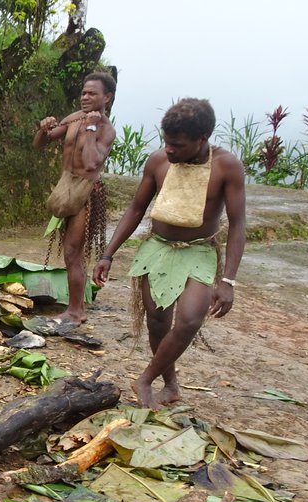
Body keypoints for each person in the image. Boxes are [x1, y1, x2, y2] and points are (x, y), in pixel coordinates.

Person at [93, 98, 246, 410]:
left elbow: (238, 224)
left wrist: (228, 280)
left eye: (177, 145)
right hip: (158, 249)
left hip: (199, 252)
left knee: (189, 319)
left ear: (202, 139)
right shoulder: (158, 162)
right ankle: (171, 384)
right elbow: (136, 209)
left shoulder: (226, 166)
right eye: (166, 142)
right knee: (158, 323)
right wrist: (107, 254)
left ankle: (145, 378)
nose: (169, 150)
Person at [33, 72, 118, 324]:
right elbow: (41, 143)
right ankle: (76, 307)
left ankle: (76, 310)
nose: (85, 97)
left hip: (86, 192)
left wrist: (91, 127)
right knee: (71, 252)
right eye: (83, 92)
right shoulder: (73, 119)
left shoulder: (106, 130)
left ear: (107, 97)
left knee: (73, 251)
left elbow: (92, 162)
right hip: (65, 187)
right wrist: (43, 127)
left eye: (92, 93)